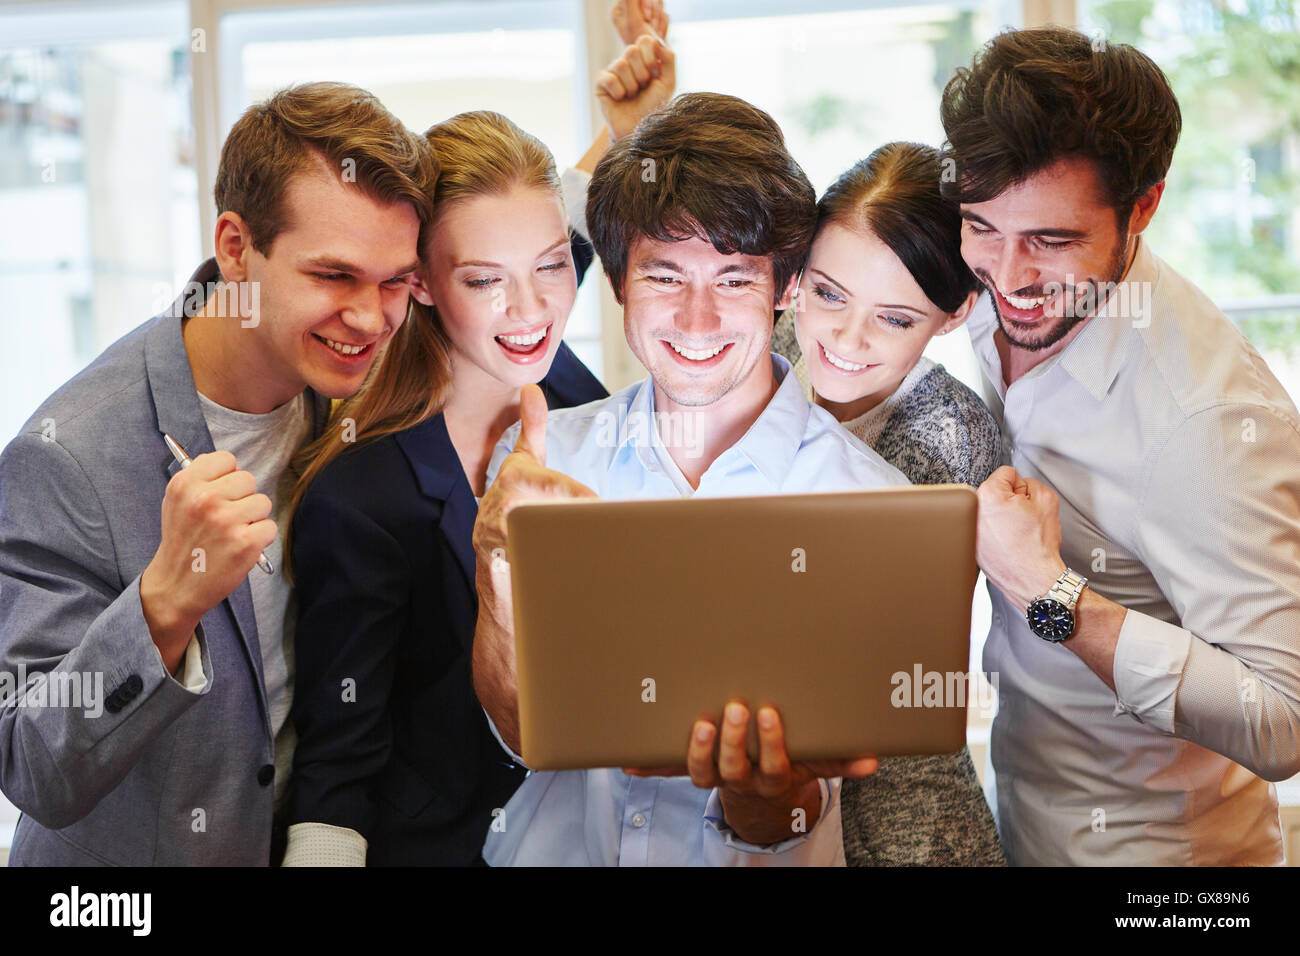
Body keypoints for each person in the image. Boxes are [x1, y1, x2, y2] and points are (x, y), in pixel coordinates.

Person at [0, 82, 435, 865]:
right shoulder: (65, 454)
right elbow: (32, 766)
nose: (372, 319)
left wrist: (612, 148)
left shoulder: (359, 373)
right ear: (236, 247)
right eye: (334, 276)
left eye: (396, 280)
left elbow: (505, 281)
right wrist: (163, 605)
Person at [472, 91, 909, 867]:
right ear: (616, 285)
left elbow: (807, 811)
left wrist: (761, 800)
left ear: (784, 288)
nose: (698, 321)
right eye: (665, 277)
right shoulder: (545, 462)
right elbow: (519, 736)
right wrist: (494, 573)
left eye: (736, 281)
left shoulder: (870, 506)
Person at [280, 32, 675, 866]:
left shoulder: (572, 393)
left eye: (549, 269)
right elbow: (336, 777)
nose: (530, 309)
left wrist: (638, 129)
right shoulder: (362, 500)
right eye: (484, 281)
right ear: (419, 283)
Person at [942, 26, 1300, 865]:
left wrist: (1045, 587)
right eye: (982, 229)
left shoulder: (1206, 419)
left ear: (1143, 207)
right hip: (1020, 817)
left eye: (1053, 242)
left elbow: (1284, 717)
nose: (1010, 277)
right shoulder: (1000, 267)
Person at [769, 142, 1004, 866]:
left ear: (955, 311)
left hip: (902, 818)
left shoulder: (950, 443)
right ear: (795, 276)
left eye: (895, 319)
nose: (846, 337)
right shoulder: (770, 345)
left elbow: (888, 680)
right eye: (830, 293)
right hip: (766, 794)